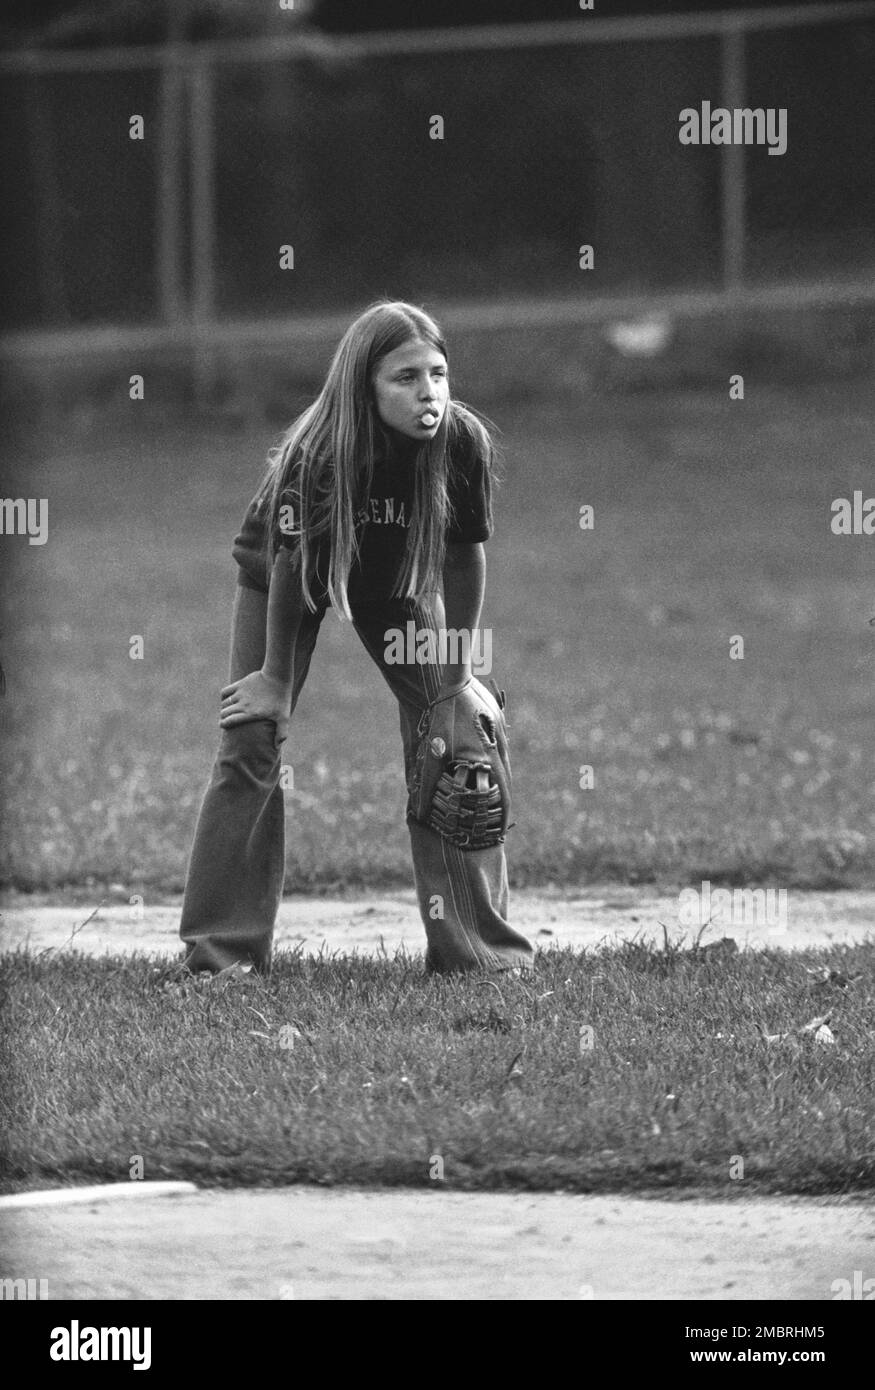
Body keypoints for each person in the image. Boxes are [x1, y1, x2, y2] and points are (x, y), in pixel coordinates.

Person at [179, 300, 533, 976]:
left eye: (437, 372)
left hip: (395, 584)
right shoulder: (321, 453)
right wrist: (276, 680)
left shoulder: (459, 443)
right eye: (404, 377)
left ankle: (477, 955)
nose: (427, 391)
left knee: (462, 738)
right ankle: (223, 957)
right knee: (251, 733)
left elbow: (462, 557)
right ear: (363, 386)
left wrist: (455, 680)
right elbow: (290, 567)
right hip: (287, 577)